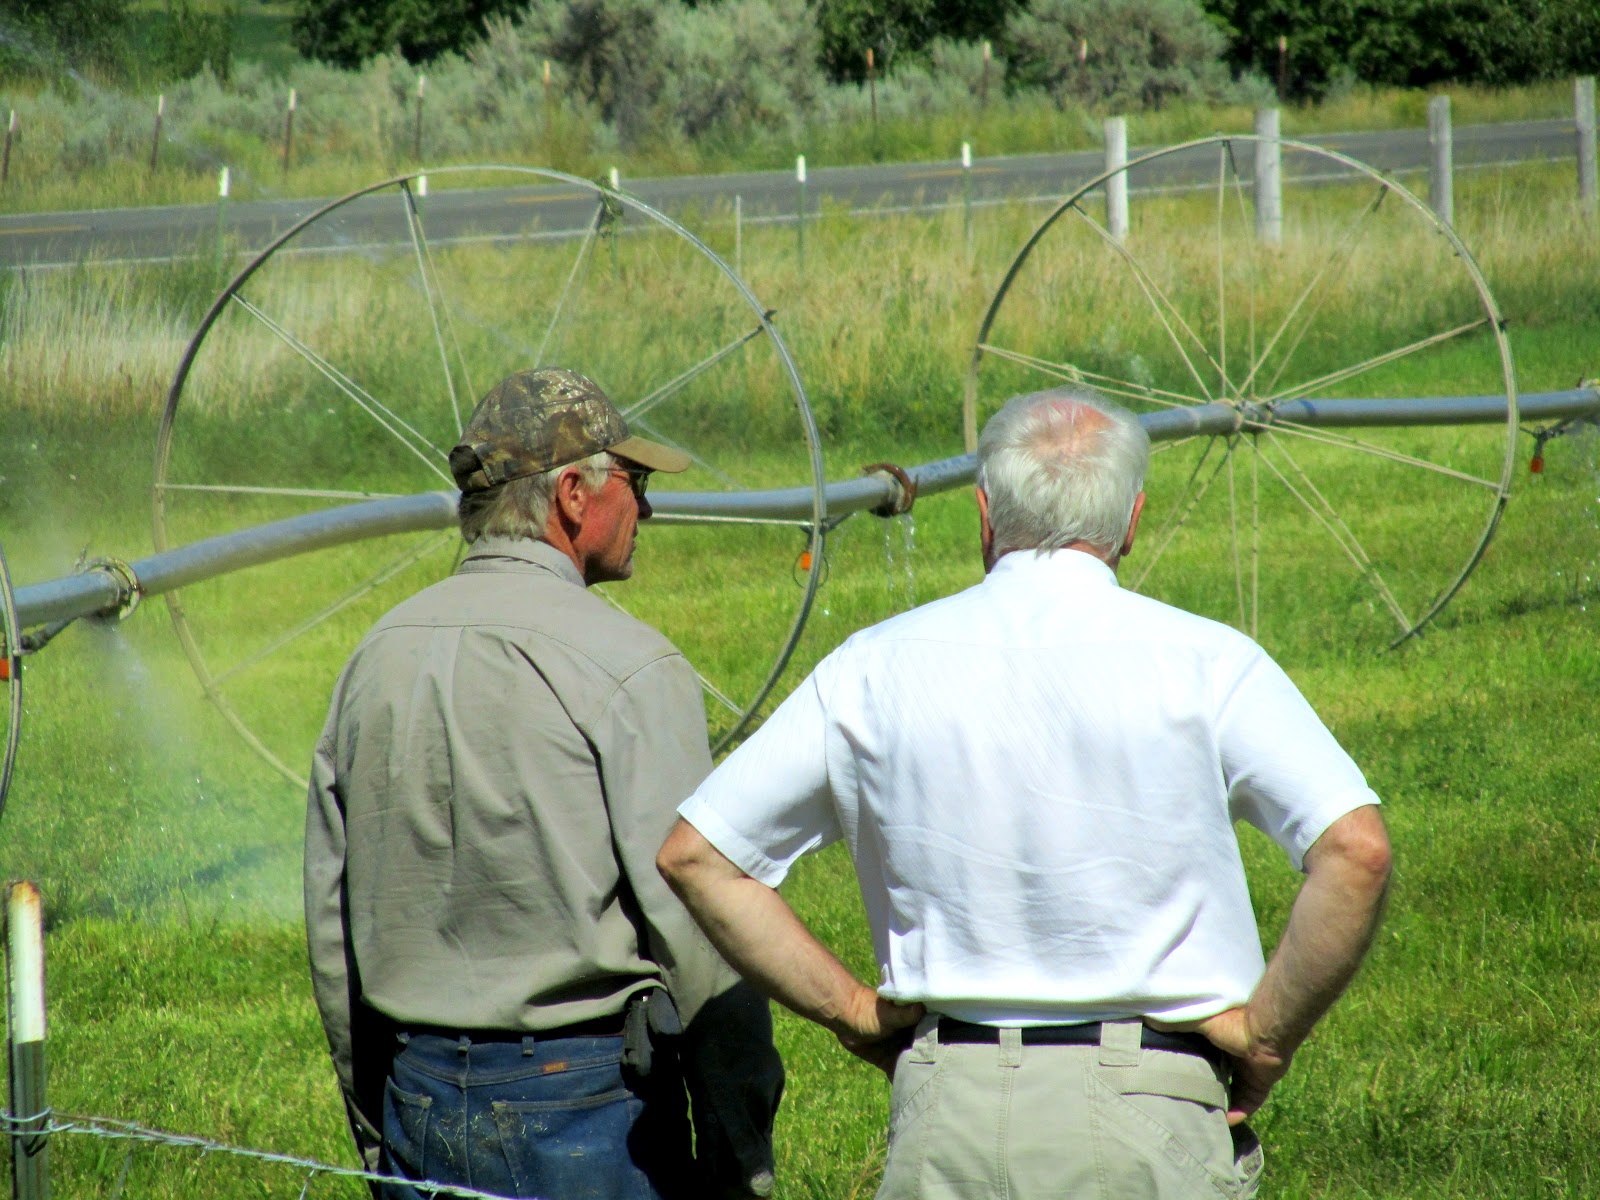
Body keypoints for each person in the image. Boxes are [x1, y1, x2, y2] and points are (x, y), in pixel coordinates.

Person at [658, 386, 1392, 1199]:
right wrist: (1263, 1038)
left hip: (948, 1104)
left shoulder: (872, 667)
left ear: (983, 514)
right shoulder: (1210, 662)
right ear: (1132, 521)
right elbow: (1355, 850)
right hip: (1149, 1099)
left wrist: (852, 1012)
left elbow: (698, 856)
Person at [306, 367, 783, 1200]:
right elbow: (700, 925)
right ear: (572, 494)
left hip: (415, 1093)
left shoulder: (373, 657)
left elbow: (331, 921)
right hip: (587, 1102)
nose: (649, 508)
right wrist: (742, 1150)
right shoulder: (631, 666)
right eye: (634, 483)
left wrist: (376, 1124)